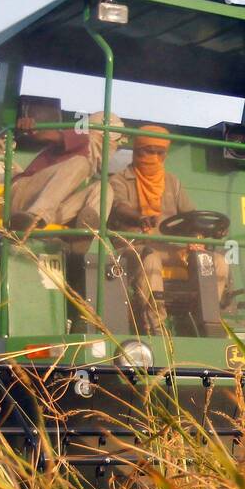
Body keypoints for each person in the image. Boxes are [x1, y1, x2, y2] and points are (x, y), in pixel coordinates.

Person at [81, 124, 229, 336]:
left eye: (159, 153)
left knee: (216, 261)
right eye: (148, 151)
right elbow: (119, 206)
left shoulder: (172, 183)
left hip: (172, 249)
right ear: (138, 151)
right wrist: (140, 217)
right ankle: (155, 326)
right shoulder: (119, 180)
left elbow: (192, 216)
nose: (153, 157)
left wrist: (199, 236)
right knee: (150, 258)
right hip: (133, 247)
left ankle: (206, 323)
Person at [8, 110, 124, 233]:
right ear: (104, 136)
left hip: (48, 212)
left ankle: (82, 238)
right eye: (116, 141)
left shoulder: (92, 167)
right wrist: (33, 129)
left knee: (104, 189)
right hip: (21, 194)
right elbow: (48, 135)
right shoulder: (84, 138)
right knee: (81, 163)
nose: (115, 145)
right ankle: (37, 216)